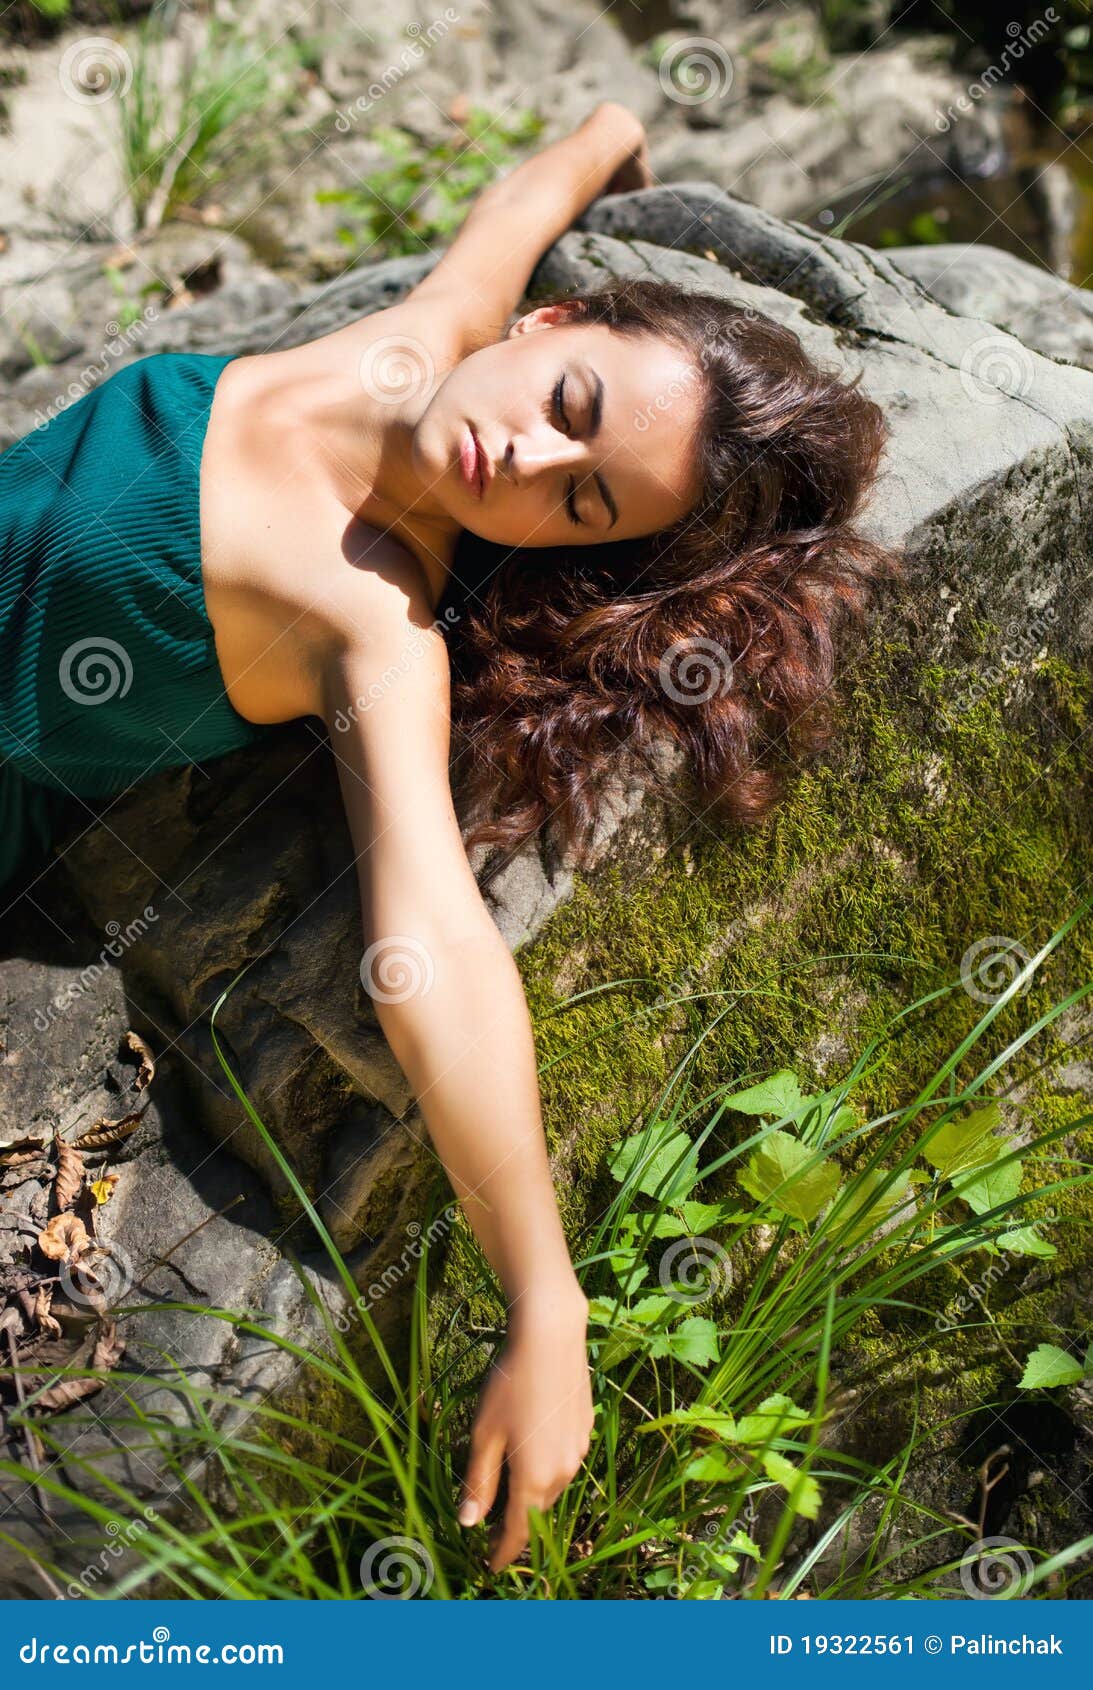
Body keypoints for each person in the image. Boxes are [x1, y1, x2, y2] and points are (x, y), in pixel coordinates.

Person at [0, 100, 892, 1571]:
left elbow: (433, 957)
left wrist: (548, 1303)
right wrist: (615, 130)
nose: (524, 457)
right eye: (574, 402)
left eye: (581, 499)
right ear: (549, 320)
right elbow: (527, 194)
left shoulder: (374, 629)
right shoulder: (428, 337)